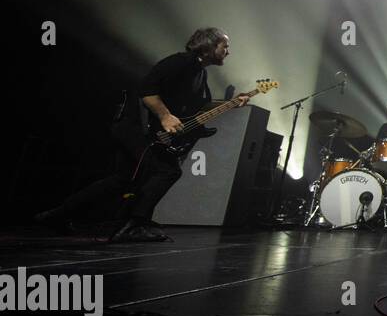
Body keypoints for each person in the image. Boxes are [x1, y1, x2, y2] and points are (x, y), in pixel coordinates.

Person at [35, 28, 249, 242]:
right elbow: (147, 90)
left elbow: (199, 106)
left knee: (121, 179)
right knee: (168, 171)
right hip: (136, 127)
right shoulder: (180, 62)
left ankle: (56, 216)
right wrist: (165, 116)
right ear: (209, 46)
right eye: (225, 46)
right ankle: (134, 224)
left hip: (140, 128)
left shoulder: (200, 73)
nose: (228, 52)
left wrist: (231, 104)